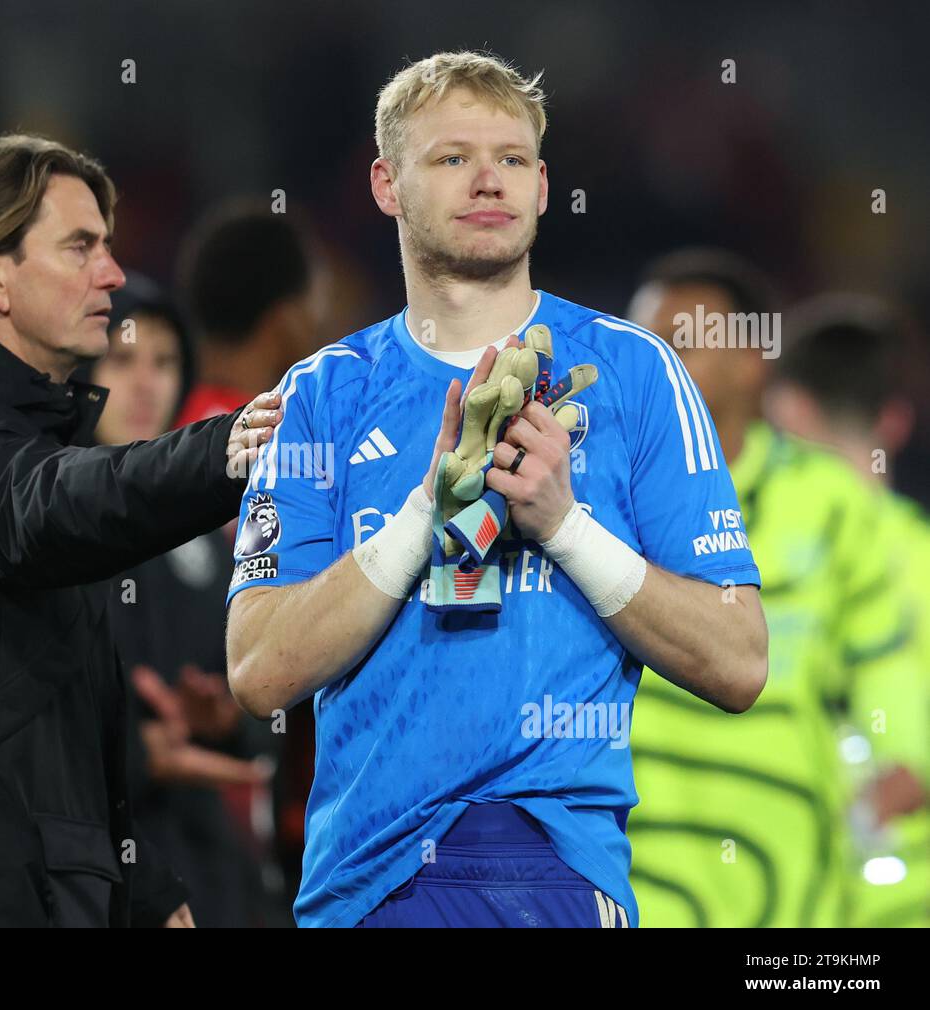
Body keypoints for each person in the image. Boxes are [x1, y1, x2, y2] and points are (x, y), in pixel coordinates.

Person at [225, 52, 767, 928]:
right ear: (385, 184)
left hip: (551, 862)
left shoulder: (636, 373)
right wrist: (421, 516)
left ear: (545, 186)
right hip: (364, 880)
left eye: (513, 159)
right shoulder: (321, 394)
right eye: (451, 158)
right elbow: (257, 672)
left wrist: (564, 523)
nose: (489, 180)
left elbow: (739, 663)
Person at [0, 134, 282, 928]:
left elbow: (46, 727)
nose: (111, 273)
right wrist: (225, 449)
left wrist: (138, 887)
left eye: (109, 247)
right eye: (81, 247)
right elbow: (41, 508)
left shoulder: (15, 437)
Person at [625, 250, 923, 926]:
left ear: (750, 361)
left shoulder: (831, 502)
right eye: (640, 343)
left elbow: (881, 654)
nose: (650, 364)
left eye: (679, 344)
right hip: (644, 868)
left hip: (793, 881)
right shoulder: (597, 501)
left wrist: (901, 759)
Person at [90, 273, 277, 927]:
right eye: (123, 357)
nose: (147, 382)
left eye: (165, 362)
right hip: (96, 874)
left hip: (212, 875)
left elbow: (271, 705)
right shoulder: (39, 523)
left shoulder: (207, 532)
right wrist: (138, 752)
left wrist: (227, 719)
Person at [766, 294, 930, 927]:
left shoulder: (738, 558)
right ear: (896, 420)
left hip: (783, 904)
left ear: (789, 409)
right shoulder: (917, 554)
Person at [174, 201, 324, 426]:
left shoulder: (160, 428)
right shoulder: (276, 447)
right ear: (286, 320)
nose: (320, 322)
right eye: (314, 301)